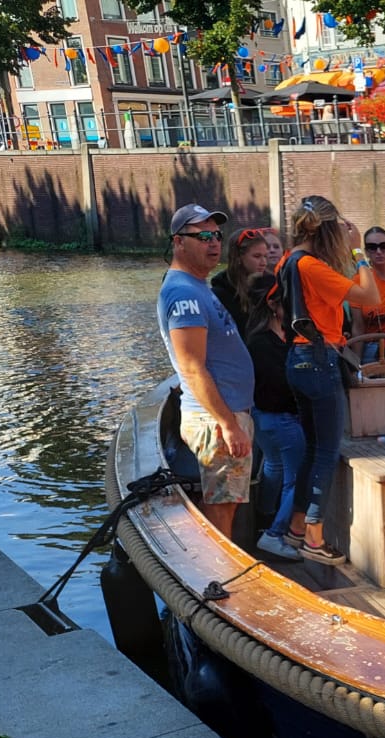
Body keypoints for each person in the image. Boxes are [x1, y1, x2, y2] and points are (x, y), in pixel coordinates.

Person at [275, 194, 380, 564]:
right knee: (326, 451)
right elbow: (370, 295)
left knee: (312, 450)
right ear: (330, 229)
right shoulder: (312, 267)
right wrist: (358, 254)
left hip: (298, 359)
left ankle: (297, 528)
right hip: (318, 361)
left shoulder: (287, 261)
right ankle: (315, 537)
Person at [156, 202, 254, 539]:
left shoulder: (198, 286)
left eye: (216, 236)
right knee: (221, 507)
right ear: (178, 241)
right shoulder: (183, 292)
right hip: (216, 421)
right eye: (203, 236)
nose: (214, 243)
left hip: (222, 417)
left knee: (227, 501)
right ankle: (217, 583)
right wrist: (228, 423)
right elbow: (192, 367)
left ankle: (220, 578)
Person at [241, 274, 305, 563]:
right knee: (298, 478)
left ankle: (263, 519)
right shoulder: (263, 343)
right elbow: (280, 383)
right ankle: (275, 534)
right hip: (280, 420)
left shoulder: (263, 337)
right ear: (272, 304)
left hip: (263, 420)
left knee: (274, 467)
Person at [353, 225, 385, 363]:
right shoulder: (358, 281)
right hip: (371, 345)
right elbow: (358, 327)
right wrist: (356, 365)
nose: (379, 251)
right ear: (366, 252)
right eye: (372, 248)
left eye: (384, 246)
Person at [210, 225, 271, 326]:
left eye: (265, 256)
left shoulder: (269, 286)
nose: (264, 262)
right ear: (238, 257)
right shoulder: (219, 295)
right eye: (257, 256)